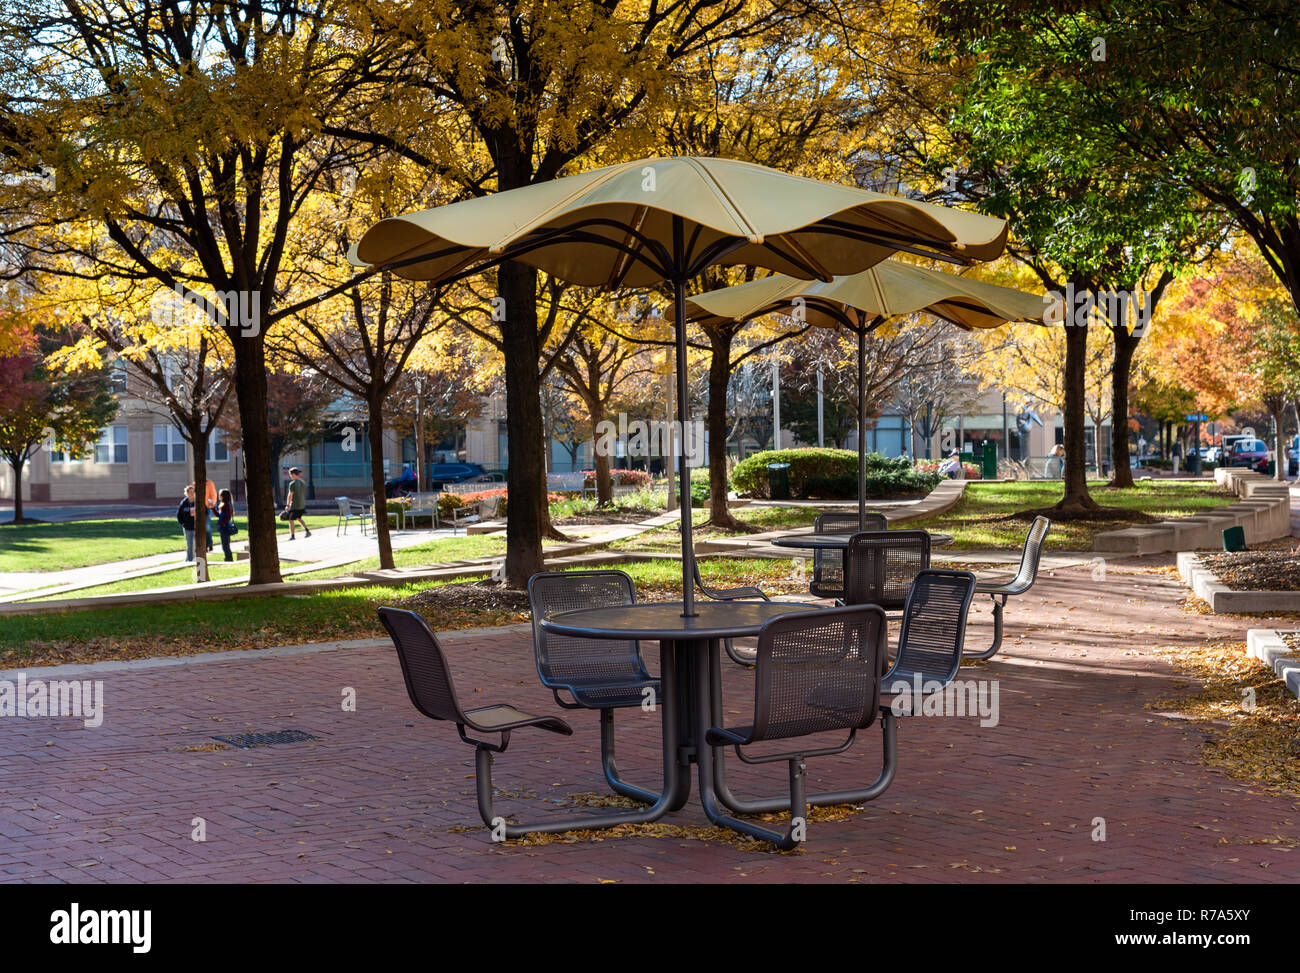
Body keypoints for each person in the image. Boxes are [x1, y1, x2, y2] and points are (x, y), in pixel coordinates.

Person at [283, 466, 311, 539]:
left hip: (295, 505)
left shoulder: (292, 484)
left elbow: (290, 495)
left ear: (293, 474)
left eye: (290, 474)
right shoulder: (303, 482)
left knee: (291, 520)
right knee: (298, 518)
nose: (290, 476)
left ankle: (292, 536)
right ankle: (307, 531)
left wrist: (287, 505)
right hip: (302, 504)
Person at [177, 484, 197, 561]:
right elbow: (179, 514)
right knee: (189, 544)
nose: (192, 494)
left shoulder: (197, 502)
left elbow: (204, 512)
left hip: (196, 526)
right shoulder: (184, 503)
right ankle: (189, 559)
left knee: (195, 544)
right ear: (187, 493)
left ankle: (194, 558)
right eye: (190, 492)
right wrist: (182, 523)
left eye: (193, 492)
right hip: (187, 527)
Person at [216, 488, 236, 562]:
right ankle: (228, 557)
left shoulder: (227, 505)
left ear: (223, 496)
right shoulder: (224, 504)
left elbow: (227, 517)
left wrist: (221, 523)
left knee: (225, 545)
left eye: (220, 495)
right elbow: (219, 515)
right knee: (225, 544)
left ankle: (229, 558)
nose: (219, 496)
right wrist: (212, 508)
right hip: (223, 527)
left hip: (225, 527)